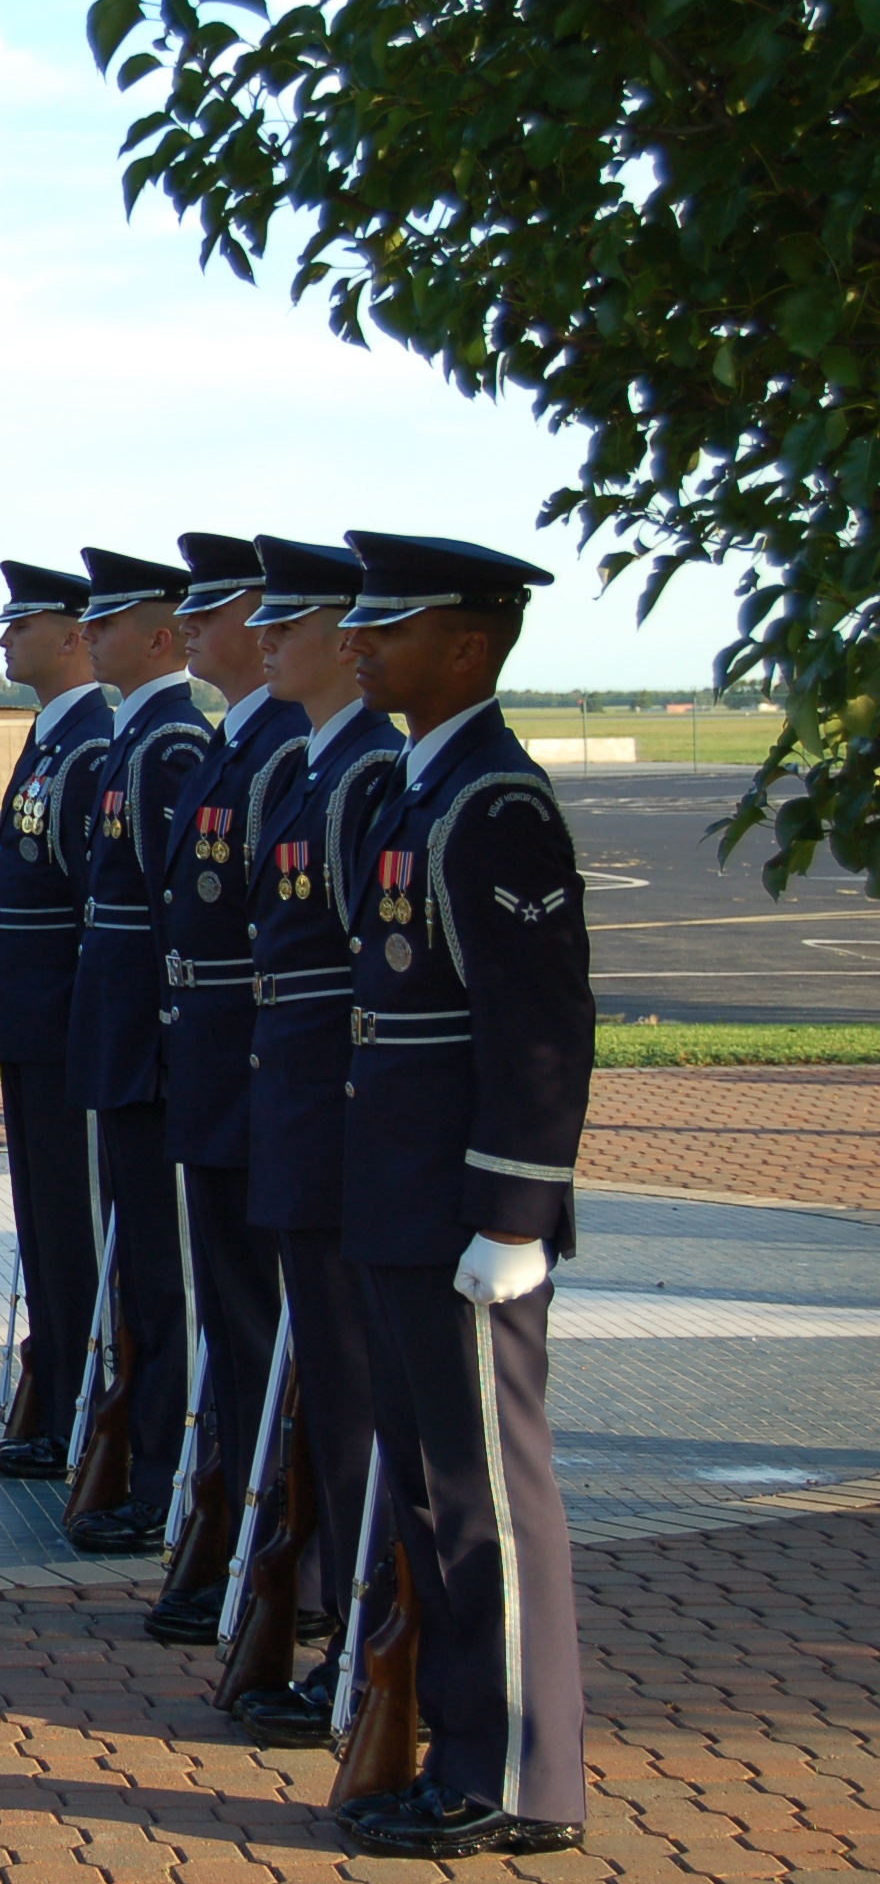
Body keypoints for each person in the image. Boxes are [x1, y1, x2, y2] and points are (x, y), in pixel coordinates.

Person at [328, 532, 588, 1861]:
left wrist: (514, 1216)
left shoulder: (494, 804)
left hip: (462, 1210)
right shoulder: (411, 790)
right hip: (398, 1191)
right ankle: (459, 1750)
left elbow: (540, 1027)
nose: (360, 646)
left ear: (468, 650)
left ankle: (521, 1778)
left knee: (488, 1492)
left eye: (391, 628)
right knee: (433, 1494)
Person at [228, 533, 400, 1746]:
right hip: (288, 1099)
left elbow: (366, 972)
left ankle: (360, 1634)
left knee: (350, 1394)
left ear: (343, 641)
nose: (262, 640)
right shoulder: (311, 762)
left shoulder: (359, 777)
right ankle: (337, 1624)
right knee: (325, 1394)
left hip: (332, 1112)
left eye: (285, 628)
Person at [143, 532, 316, 1644]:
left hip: (251, 1059)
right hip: (206, 1052)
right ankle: (248, 1546)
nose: (199, 628)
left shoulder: (286, 753)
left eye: (221, 612)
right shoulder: (235, 743)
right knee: (233, 1319)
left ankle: (276, 1558)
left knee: (259, 1324)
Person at [61, 546, 213, 1554]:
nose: (91, 637)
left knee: (165, 1279)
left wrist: (159, 1042)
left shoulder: (165, 744)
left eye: (107, 624)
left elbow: (173, 917)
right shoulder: (134, 735)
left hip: (148, 1050)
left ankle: (167, 1480)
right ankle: (149, 1469)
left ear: (157, 636)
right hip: (118, 1043)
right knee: (138, 1276)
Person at [0, 563, 111, 1481]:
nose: (3, 640)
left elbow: (96, 908)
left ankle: (83, 1408)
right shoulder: (55, 738)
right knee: (46, 1226)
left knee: (74, 1231)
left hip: (65, 1025)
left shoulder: (93, 745)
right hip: (32, 1023)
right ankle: (57, 1391)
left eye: (21, 625)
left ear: (75, 635)